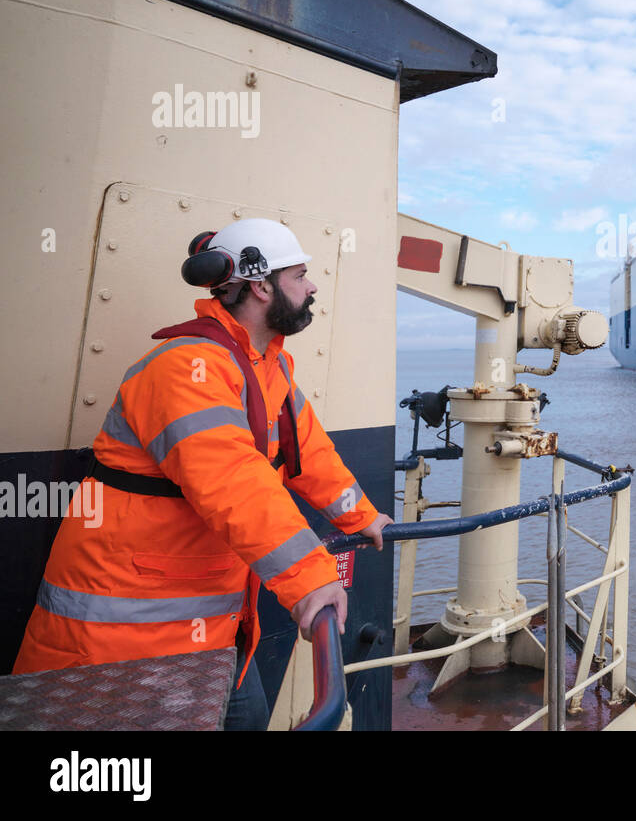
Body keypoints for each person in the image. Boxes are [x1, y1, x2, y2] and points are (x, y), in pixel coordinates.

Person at [13, 218, 394, 730]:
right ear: (262, 286)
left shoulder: (266, 367)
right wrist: (309, 581)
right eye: (301, 274)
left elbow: (311, 454)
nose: (312, 286)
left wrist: (363, 518)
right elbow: (234, 480)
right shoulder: (184, 367)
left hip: (213, 634)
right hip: (122, 642)